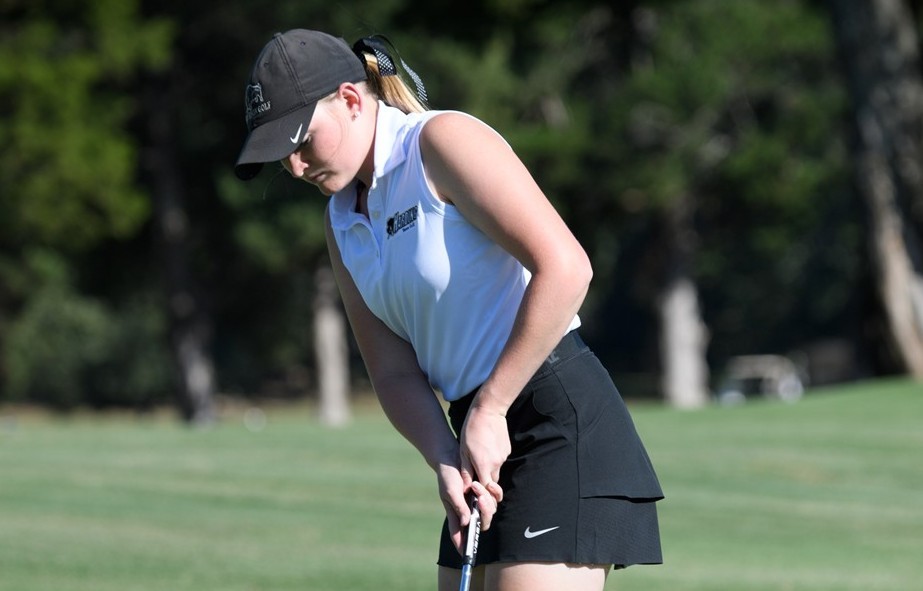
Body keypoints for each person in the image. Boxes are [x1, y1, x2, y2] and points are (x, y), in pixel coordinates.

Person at [235, 29, 664, 591]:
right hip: (474, 441)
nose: (294, 167)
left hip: (554, 419)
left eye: (303, 141)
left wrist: (492, 407)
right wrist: (442, 456)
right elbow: (391, 371)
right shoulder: (341, 219)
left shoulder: (439, 143)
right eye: (281, 154)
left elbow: (566, 268)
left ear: (351, 99)